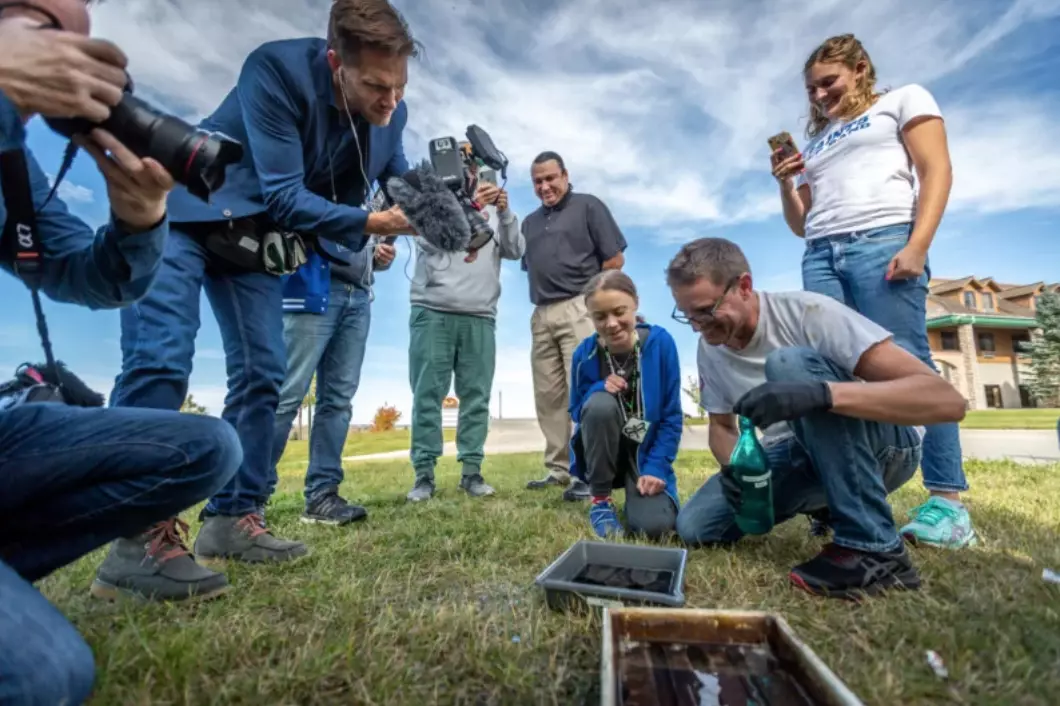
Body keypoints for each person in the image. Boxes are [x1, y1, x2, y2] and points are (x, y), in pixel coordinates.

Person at [92, 0, 420, 602]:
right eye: (375, 85)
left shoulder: (391, 116)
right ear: (334, 62)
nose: (389, 101)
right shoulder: (273, 70)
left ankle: (232, 519)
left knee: (263, 374)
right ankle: (135, 544)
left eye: (399, 87)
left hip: (252, 244)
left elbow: (399, 180)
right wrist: (377, 222)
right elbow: (288, 196)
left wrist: (439, 208)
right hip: (184, 215)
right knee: (160, 357)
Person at [0, 2, 241, 704]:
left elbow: (89, 276)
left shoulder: (10, 171)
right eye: (39, 24)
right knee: (43, 677)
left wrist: (140, 218)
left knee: (204, 449)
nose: (64, 54)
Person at [668, 238, 967, 599]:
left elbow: (946, 401)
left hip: (886, 449)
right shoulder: (710, 348)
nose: (698, 327)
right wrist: (735, 470)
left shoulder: (810, 313)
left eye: (706, 310)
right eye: (688, 316)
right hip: (796, 451)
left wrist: (821, 394)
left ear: (744, 286)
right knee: (696, 525)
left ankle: (875, 550)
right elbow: (721, 427)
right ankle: (828, 503)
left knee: (789, 364)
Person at [771, 33, 974, 549]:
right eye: (811, 88)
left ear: (860, 69)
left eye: (828, 82)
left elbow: (936, 171)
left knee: (910, 364)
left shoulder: (903, 100)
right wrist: (786, 184)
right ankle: (848, 497)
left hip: (881, 242)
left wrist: (918, 246)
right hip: (820, 253)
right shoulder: (818, 143)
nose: (818, 95)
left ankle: (948, 504)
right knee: (833, 368)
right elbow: (801, 223)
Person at [267, 184, 399, 527]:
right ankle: (247, 497)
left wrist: (377, 257)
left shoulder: (380, 186)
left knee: (338, 400)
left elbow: (366, 243)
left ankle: (322, 495)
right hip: (314, 287)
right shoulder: (328, 162)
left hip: (359, 296)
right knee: (286, 395)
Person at [405, 155, 524, 502]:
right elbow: (431, 243)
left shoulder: (494, 209)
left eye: (471, 165)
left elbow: (516, 250)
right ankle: (424, 475)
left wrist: (503, 211)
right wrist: (467, 205)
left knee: (476, 397)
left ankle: (471, 471)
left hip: (480, 316)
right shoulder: (434, 201)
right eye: (459, 164)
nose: (467, 171)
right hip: (432, 311)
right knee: (427, 395)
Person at [520, 151, 627, 501]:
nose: (544, 186)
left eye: (550, 178)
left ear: (565, 175)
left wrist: (595, 304)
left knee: (583, 389)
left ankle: (587, 472)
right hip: (542, 314)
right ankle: (558, 469)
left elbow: (614, 259)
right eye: (537, 181)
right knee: (548, 395)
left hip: (579, 307)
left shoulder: (588, 206)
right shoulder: (530, 223)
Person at [568, 271, 682, 539]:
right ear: (590, 316)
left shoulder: (660, 344)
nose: (611, 324)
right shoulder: (584, 355)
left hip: (644, 448)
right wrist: (598, 387)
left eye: (620, 311)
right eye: (599, 316)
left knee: (655, 528)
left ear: (636, 304)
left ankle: (641, 484)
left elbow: (671, 417)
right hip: (604, 448)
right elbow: (576, 410)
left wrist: (656, 467)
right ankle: (600, 500)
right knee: (599, 404)